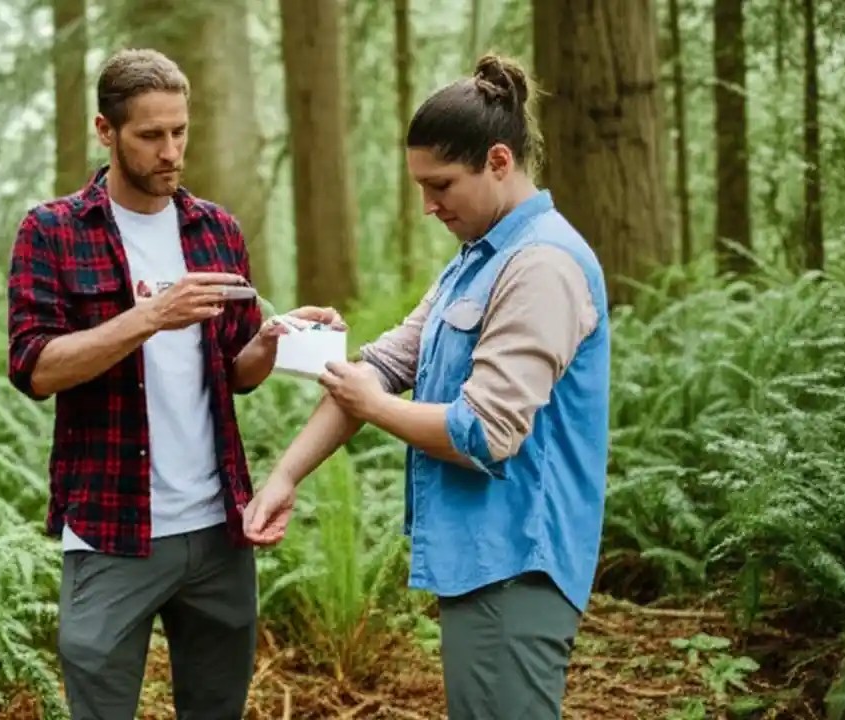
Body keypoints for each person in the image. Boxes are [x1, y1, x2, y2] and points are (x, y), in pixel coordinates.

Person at [243, 53, 609, 719]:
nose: (428, 205)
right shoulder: (474, 264)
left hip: (517, 563)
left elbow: (486, 432)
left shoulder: (542, 268)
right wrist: (284, 474)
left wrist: (376, 407)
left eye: (440, 184)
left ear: (499, 162)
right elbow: (380, 367)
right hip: (479, 561)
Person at [7, 48, 340, 720]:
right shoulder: (52, 231)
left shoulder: (216, 230)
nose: (170, 151)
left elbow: (237, 373)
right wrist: (149, 317)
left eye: (180, 132)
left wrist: (271, 339)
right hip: (111, 527)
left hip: (219, 529)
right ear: (106, 131)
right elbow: (36, 369)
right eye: (150, 135)